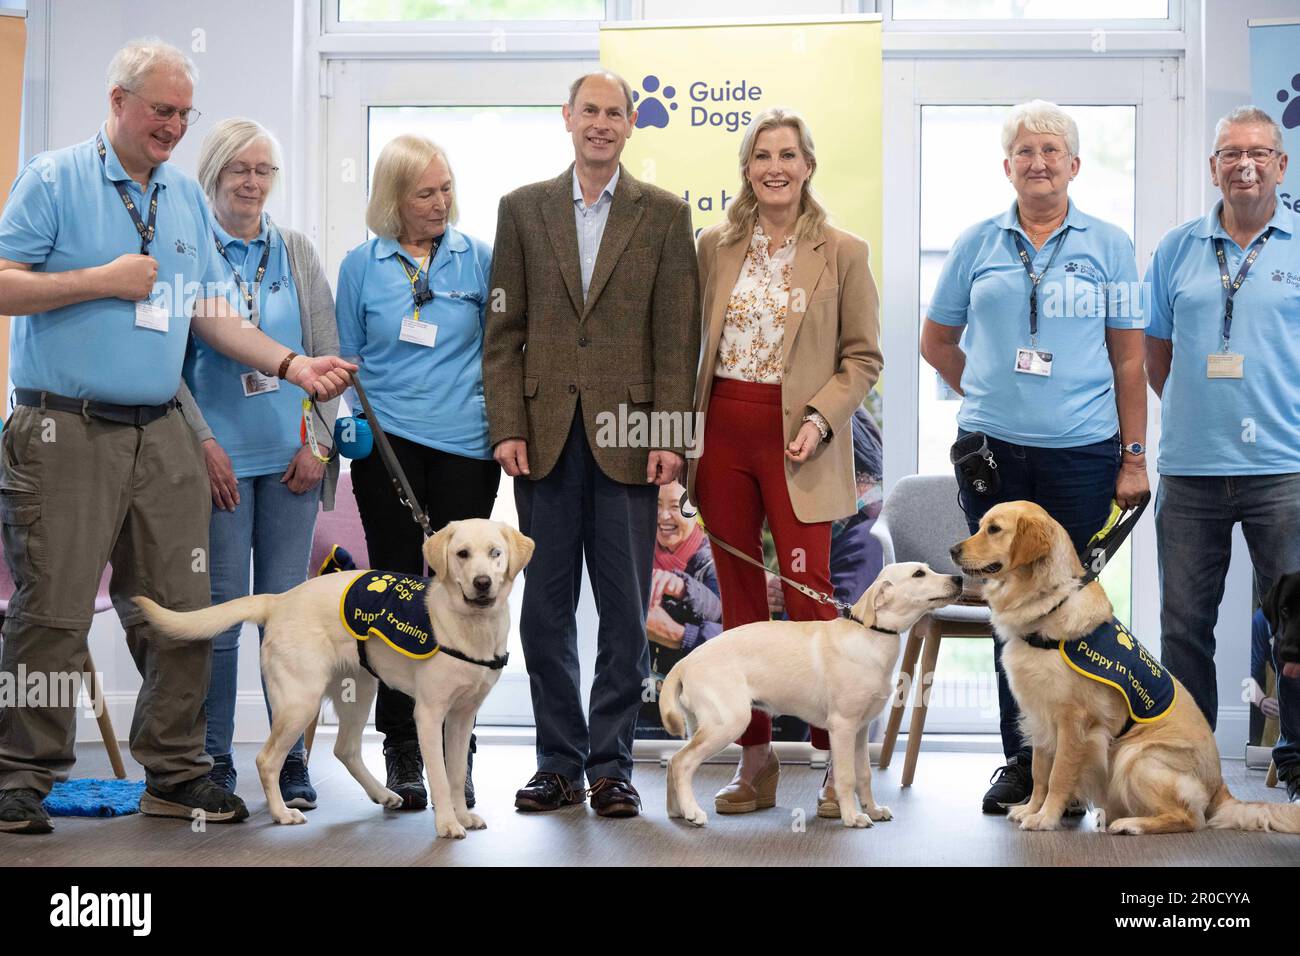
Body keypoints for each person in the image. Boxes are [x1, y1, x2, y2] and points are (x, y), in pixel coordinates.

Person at [0, 38, 353, 835]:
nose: (172, 127)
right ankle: (20, 774)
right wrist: (99, 280)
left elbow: (213, 315)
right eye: (161, 110)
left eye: (183, 115)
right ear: (119, 100)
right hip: (65, 428)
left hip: (160, 432)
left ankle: (178, 769)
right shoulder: (55, 178)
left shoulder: (183, 200)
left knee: (182, 606)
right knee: (52, 612)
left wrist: (294, 364)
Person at [920, 99, 1146, 814]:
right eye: (1025, 151)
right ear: (1007, 166)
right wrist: (983, 391)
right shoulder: (976, 242)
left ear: (1074, 165)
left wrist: (1134, 456)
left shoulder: (1111, 245)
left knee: (1071, 606)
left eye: (1052, 150)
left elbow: (1131, 359)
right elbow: (935, 341)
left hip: (1083, 454)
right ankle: (1022, 761)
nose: (1038, 162)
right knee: (1009, 600)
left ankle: (1076, 762)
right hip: (993, 454)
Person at [484, 69, 699, 818]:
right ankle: (557, 763)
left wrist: (673, 436)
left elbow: (678, 339)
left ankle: (610, 767)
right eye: (590, 112)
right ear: (567, 118)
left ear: (631, 122)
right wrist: (506, 423)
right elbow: (502, 333)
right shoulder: (521, 210)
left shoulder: (666, 216)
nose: (601, 124)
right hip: (541, 439)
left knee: (621, 609)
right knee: (543, 610)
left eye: (615, 113)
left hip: (634, 438)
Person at [688, 107, 882, 817]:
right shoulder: (715, 245)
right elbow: (693, 353)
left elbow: (863, 358)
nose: (775, 166)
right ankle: (756, 761)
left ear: (808, 166)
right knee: (739, 604)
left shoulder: (844, 250)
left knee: (809, 602)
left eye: (788, 155)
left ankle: (837, 773)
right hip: (723, 437)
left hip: (801, 439)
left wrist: (819, 420)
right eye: (762, 155)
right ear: (747, 168)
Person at [177, 117, 341, 810]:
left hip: (291, 464)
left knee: (292, 627)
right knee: (219, 619)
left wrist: (320, 444)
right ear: (213, 175)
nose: (252, 182)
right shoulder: (188, 251)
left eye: (263, 170)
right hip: (215, 463)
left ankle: (293, 759)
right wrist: (202, 443)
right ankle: (215, 759)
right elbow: (168, 368)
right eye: (239, 169)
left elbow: (327, 356)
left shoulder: (296, 251)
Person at [336, 134, 499, 811]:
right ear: (393, 199)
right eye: (425, 192)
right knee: (400, 594)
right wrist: (353, 423)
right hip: (389, 449)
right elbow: (344, 358)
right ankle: (402, 742)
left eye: (446, 189)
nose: (440, 202)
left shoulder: (478, 258)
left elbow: (501, 349)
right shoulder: (360, 266)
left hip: (467, 445)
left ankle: (458, 747)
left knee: (465, 592)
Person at [1144, 105, 1299, 804]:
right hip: (1190, 470)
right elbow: (1156, 354)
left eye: (1259, 152)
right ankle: (1189, 766)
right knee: (1183, 628)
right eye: (1230, 152)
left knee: (1297, 629)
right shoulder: (1178, 248)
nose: (1245, 163)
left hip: (1284, 469)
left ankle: (1295, 760)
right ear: (1213, 166)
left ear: (1281, 165)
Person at [637, 480, 724, 738]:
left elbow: (725, 619)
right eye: (657, 505)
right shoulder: (637, 552)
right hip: (647, 701)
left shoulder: (714, 557)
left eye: (675, 506)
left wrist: (682, 587)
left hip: (704, 700)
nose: (664, 516)